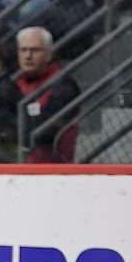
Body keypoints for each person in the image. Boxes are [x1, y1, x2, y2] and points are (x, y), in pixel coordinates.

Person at [15, 26, 80, 163]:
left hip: (52, 166)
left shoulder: (64, 85)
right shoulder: (16, 83)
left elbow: (46, 131)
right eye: (23, 50)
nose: (28, 56)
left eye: (35, 50)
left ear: (49, 54)